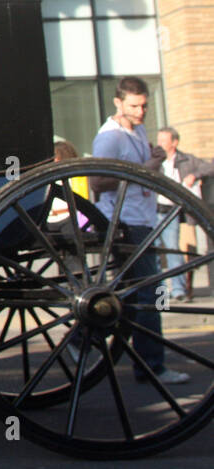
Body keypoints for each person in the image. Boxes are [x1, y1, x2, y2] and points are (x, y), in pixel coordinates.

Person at [90, 77, 188, 384]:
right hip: (123, 223)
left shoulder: (139, 129)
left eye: (144, 105)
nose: (141, 111)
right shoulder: (109, 137)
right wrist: (145, 169)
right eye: (134, 105)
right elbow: (98, 182)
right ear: (118, 103)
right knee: (148, 291)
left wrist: (152, 162)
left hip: (143, 219)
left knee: (133, 294)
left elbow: (142, 169)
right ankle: (151, 366)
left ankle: (85, 340)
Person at [150, 126, 214, 302]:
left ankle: (178, 290)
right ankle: (160, 296)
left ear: (174, 143)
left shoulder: (186, 160)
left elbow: (210, 166)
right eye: (159, 140)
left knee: (172, 251)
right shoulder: (155, 160)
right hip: (153, 209)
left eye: (164, 140)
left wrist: (194, 175)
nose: (160, 144)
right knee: (153, 254)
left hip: (171, 211)